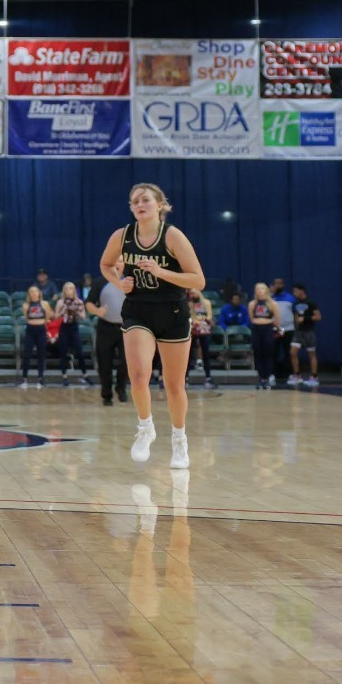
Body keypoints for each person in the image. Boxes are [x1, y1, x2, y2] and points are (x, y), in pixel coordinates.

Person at [100, 184, 207, 470]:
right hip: (138, 311)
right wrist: (118, 282)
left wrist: (161, 272)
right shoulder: (122, 236)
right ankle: (145, 427)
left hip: (172, 312)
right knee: (138, 375)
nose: (139, 205)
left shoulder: (173, 236)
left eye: (145, 200)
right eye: (134, 201)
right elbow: (106, 264)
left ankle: (179, 440)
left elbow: (198, 280)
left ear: (160, 204)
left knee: (173, 385)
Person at [93, 276, 127, 406]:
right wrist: (97, 311)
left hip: (126, 327)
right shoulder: (100, 282)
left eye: (120, 260)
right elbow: (89, 302)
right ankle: (107, 394)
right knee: (104, 363)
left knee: (127, 361)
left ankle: (121, 387)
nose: (117, 263)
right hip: (105, 327)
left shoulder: (131, 280)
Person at [16, 284, 54, 388]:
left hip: (41, 330)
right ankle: (24, 379)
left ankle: (40, 378)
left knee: (41, 354)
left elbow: (50, 315)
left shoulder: (44, 303)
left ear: (39, 292)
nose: (33, 293)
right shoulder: (26, 305)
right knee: (26, 354)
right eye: (31, 291)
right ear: (29, 294)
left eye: (35, 291)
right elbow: (26, 317)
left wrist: (43, 321)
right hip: (30, 330)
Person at [55, 281, 89, 383]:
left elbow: (83, 317)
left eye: (71, 288)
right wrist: (63, 310)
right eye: (67, 288)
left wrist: (77, 311)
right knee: (63, 352)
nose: (69, 290)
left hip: (74, 327)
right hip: (64, 328)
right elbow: (55, 317)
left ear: (74, 290)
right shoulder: (60, 302)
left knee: (80, 352)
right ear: (64, 290)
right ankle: (64, 376)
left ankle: (85, 375)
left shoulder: (79, 301)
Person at [288, 283, 321, 386]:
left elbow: (318, 317)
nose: (294, 293)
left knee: (311, 354)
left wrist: (305, 319)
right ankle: (297, 376)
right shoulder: (296, 303)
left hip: (309, 331)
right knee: (293, 352)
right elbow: (296, 317)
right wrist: (296, 322)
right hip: (299, 332)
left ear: (301, 291)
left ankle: (314, 377)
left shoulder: (311, 303)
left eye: (296, 291)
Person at [248, 283, 279, 388]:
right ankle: (261, 378)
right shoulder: (252, 304)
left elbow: (277, 320)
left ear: (266, 290)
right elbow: (251, 319)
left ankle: (269, 376)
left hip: (268, 329)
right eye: (257, 289)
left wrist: (272, 325)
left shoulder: (272, 303)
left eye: (262, 288)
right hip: (256, 329)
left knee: (268, 354)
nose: (260, 290)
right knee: (258, 354)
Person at [187, 289, 216, 388]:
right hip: (194, 328)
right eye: (191, 293)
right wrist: (198, 320)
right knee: (189, 354)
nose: (193, 294)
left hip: (205, 329)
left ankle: (208, 377)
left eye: (195, 291)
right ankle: (185, 378)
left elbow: (209, 316)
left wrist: (202, 320)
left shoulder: (206, 302)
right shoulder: (190, 303)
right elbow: (191, 316)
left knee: (206, 353)